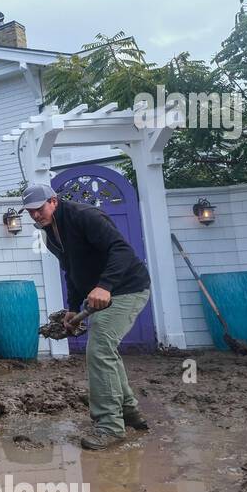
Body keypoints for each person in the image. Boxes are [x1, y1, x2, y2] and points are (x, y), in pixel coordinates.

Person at [21, 183, 152, 449]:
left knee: (100, 348)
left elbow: (122, 251)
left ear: (54, 201)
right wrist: (72, 307)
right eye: (30, 211)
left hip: (127, 288)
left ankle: (110, 427)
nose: (35, 215)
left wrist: (105, 285)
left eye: (39, 208)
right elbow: (72, 271)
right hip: (100, 292)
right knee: (106, 350)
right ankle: (128, 411)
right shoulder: (50, 235)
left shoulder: (85, 216)